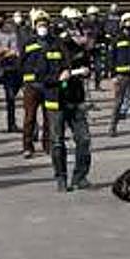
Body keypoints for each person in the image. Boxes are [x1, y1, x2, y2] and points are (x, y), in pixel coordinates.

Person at [45, 28, 92, 192]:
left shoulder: (79, 50)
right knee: (57, 141)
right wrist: (58, 77)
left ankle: (80, 177)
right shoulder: (48, 49)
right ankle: (61, 178)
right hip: (56, 100)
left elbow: (87, 66)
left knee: (84, 139)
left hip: (76, 99)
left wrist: (84, 71)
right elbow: (40, 75)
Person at [19, 10, 53, 159]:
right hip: (31, 86)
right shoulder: (28, 43)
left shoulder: (54, 43)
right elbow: (21, 63)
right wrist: (23, 82)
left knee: (49, 118)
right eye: (40, 25)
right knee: (29, 118)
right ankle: (27, 146)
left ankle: (48, 145)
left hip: (49, 86)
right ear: (34, 26)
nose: (42, 27)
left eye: (44, 24)